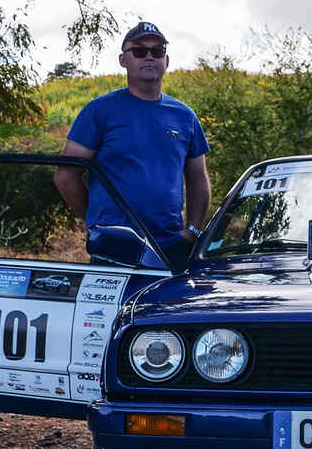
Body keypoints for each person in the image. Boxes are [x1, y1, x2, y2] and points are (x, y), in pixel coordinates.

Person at [54, 21, 211, 273]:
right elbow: (65, 176)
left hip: (171, 248)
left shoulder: (185, 116)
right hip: (113, 247)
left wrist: (191, 230)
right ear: (123, 60)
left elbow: (198, 179)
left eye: (157, 51)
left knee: (167, 312)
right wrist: (97, 222)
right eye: (139, 51)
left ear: (166, 60)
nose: (149, 56)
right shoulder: (99, 111)